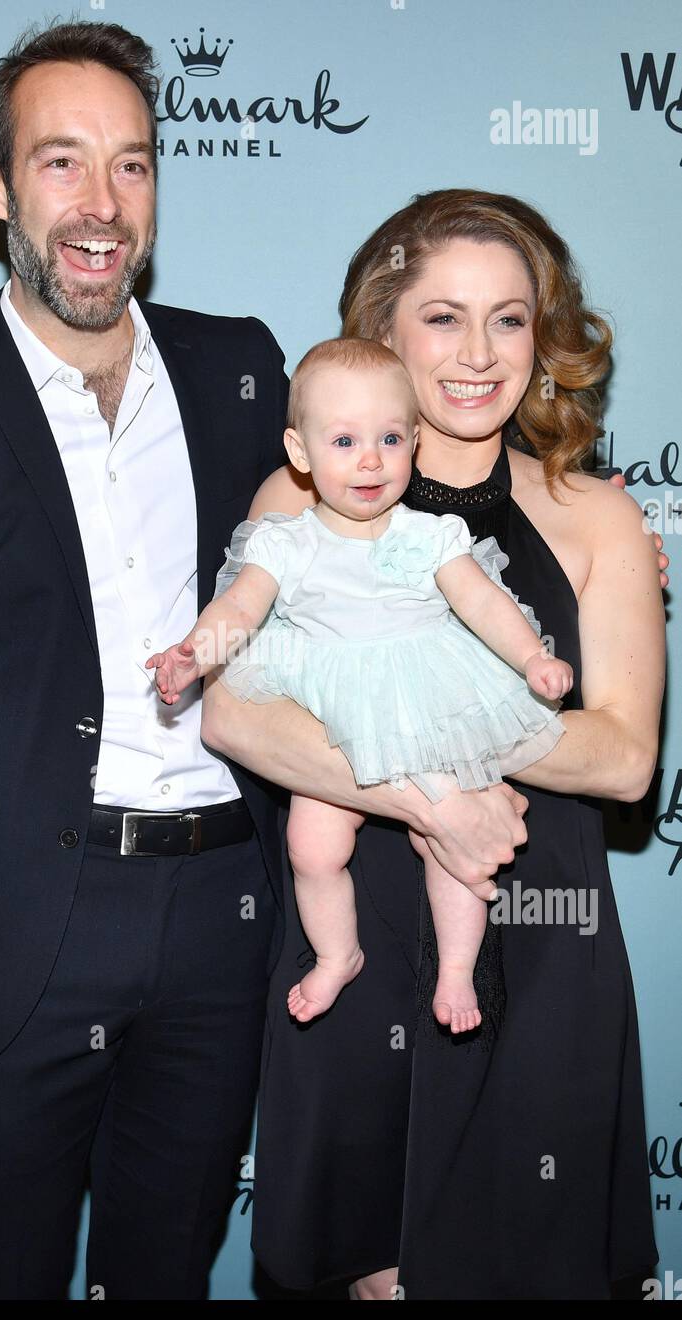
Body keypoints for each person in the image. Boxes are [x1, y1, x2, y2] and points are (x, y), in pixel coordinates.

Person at [0, 18, 293, 1300]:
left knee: (168, 1274)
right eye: (61, 162)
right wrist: (9, 819)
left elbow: (358, 525)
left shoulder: (241, 370)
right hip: (28, 920)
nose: (101, 204)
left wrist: (566, 538)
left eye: (131, 164)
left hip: (223, 914)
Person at [201, 189, 668, 1299]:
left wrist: (435, 725)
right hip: (355, 945)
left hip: (547, 946)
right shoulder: (303, 497)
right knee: (370, 1275)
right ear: (384, 330)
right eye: (442, 317)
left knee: (540, 1295)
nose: (477, 353)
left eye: (509, 319)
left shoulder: (594, 514)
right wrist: (433, 796)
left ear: (542, 339)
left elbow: (621, 760)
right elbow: (232, 712)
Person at [148, 339, 573, 1034]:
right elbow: (239, 609)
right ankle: (336, 954)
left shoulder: (430, 536)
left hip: (424, 701)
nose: (370, 459)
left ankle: (457, 971)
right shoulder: (285, 542)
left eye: (389, 438)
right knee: (312, 849)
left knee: (450, 846)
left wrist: (531, 659)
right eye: (344, 440)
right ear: (301, 450)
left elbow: (483, 604)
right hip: (330, 711)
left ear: (413, 444)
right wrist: (194, 654)